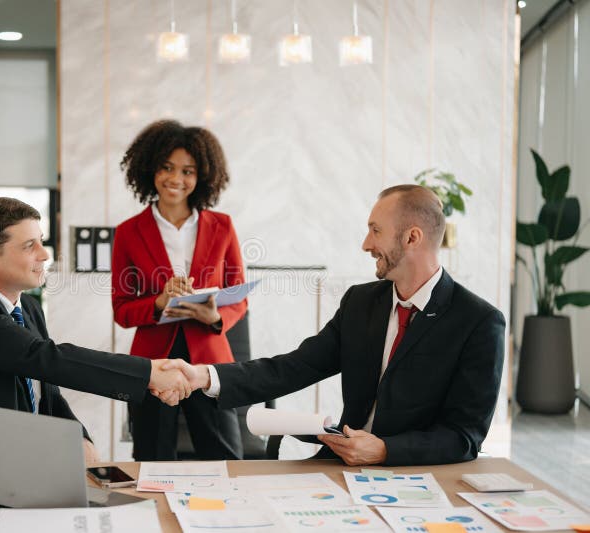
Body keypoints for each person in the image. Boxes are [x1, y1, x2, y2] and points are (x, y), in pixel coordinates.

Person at [0, 197, 190, 533]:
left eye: (41, 240)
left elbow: (45, 385)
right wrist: (149, 373)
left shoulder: (28, 309)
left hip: (20, 465)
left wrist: (78, 435)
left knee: (141, 511)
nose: (44, 254)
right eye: (29, 245)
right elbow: (43, 358)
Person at [165, 185, 506, 466]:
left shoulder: (479, 322)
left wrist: (385, 450)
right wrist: (206, 376)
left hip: (417, 476)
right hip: (338, 468)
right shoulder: (360, 303)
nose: (366, 244)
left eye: (376, 231)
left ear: (412, 238)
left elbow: (464, 436)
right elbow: (292, 368)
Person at [111, 119, 247, 461]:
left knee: (225, 460)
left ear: (202, 176)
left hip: (210, 359)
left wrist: (214, 315)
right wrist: (160, 301)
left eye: (187, 171)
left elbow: (239, 297)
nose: (176, 179)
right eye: (167, 168)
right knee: (152, 462)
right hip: (153, 362)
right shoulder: (128, 233)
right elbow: (122, 310)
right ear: (150, 169)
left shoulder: (223, 226)